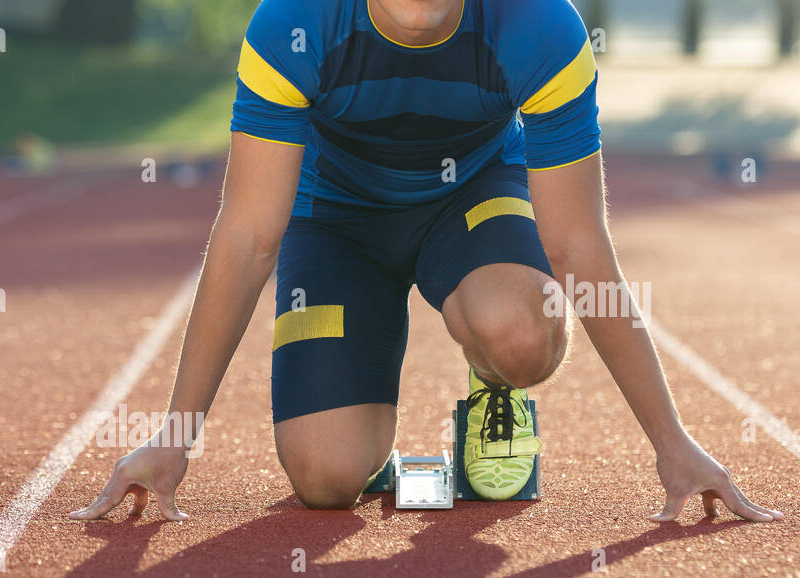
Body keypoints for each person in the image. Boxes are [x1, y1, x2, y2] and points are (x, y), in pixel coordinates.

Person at [71, 0, 780, 523]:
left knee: (525, 334)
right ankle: (367, 425)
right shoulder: (293, 25)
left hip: (471, 202)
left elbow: (579, 246)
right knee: (325, 478)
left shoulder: (542, 29)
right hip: (336, 220)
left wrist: (670, 440)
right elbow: (249, 236)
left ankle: (490, 385)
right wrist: (177, 436)